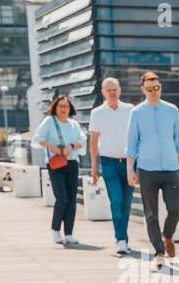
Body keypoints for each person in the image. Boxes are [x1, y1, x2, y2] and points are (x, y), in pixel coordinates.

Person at [125, 71, 179, 269]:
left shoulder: (172, 110)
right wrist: (130, 170)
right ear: (143, 89)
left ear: (161, 88)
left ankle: (167, 235)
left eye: (157, 87)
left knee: (176, 207)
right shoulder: (136, 113)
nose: (154, 91)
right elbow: (131, 144)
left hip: (170, 167)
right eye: (150, 88)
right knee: (151, 214)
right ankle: (159, 251)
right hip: (147, 169)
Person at [89, 77, 134, 254]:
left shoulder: (130, 110)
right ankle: (121, 240)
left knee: (127, 203)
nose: (112, 93)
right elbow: (93, 142)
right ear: (103, 92)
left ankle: (122, 237)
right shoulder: (97, 113)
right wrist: (94, 166)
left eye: (114, 89)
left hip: (129, 163)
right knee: (116, 201)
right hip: (108, 163)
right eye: (108, 90)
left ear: (120, 90)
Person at [33, 93, 85, 246]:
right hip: (56, 164)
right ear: (55, 107)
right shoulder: (49, 121)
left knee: (72, 200)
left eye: (66, 106)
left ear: (70, 108)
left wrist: (71, 147)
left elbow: (83, 139)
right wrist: (53, 147)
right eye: (60, 106)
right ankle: (55, 230)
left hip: (72, 163)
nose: (63, 108)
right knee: (62, 198)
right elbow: (38, 138)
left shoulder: (74, 124)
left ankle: (69, 233)